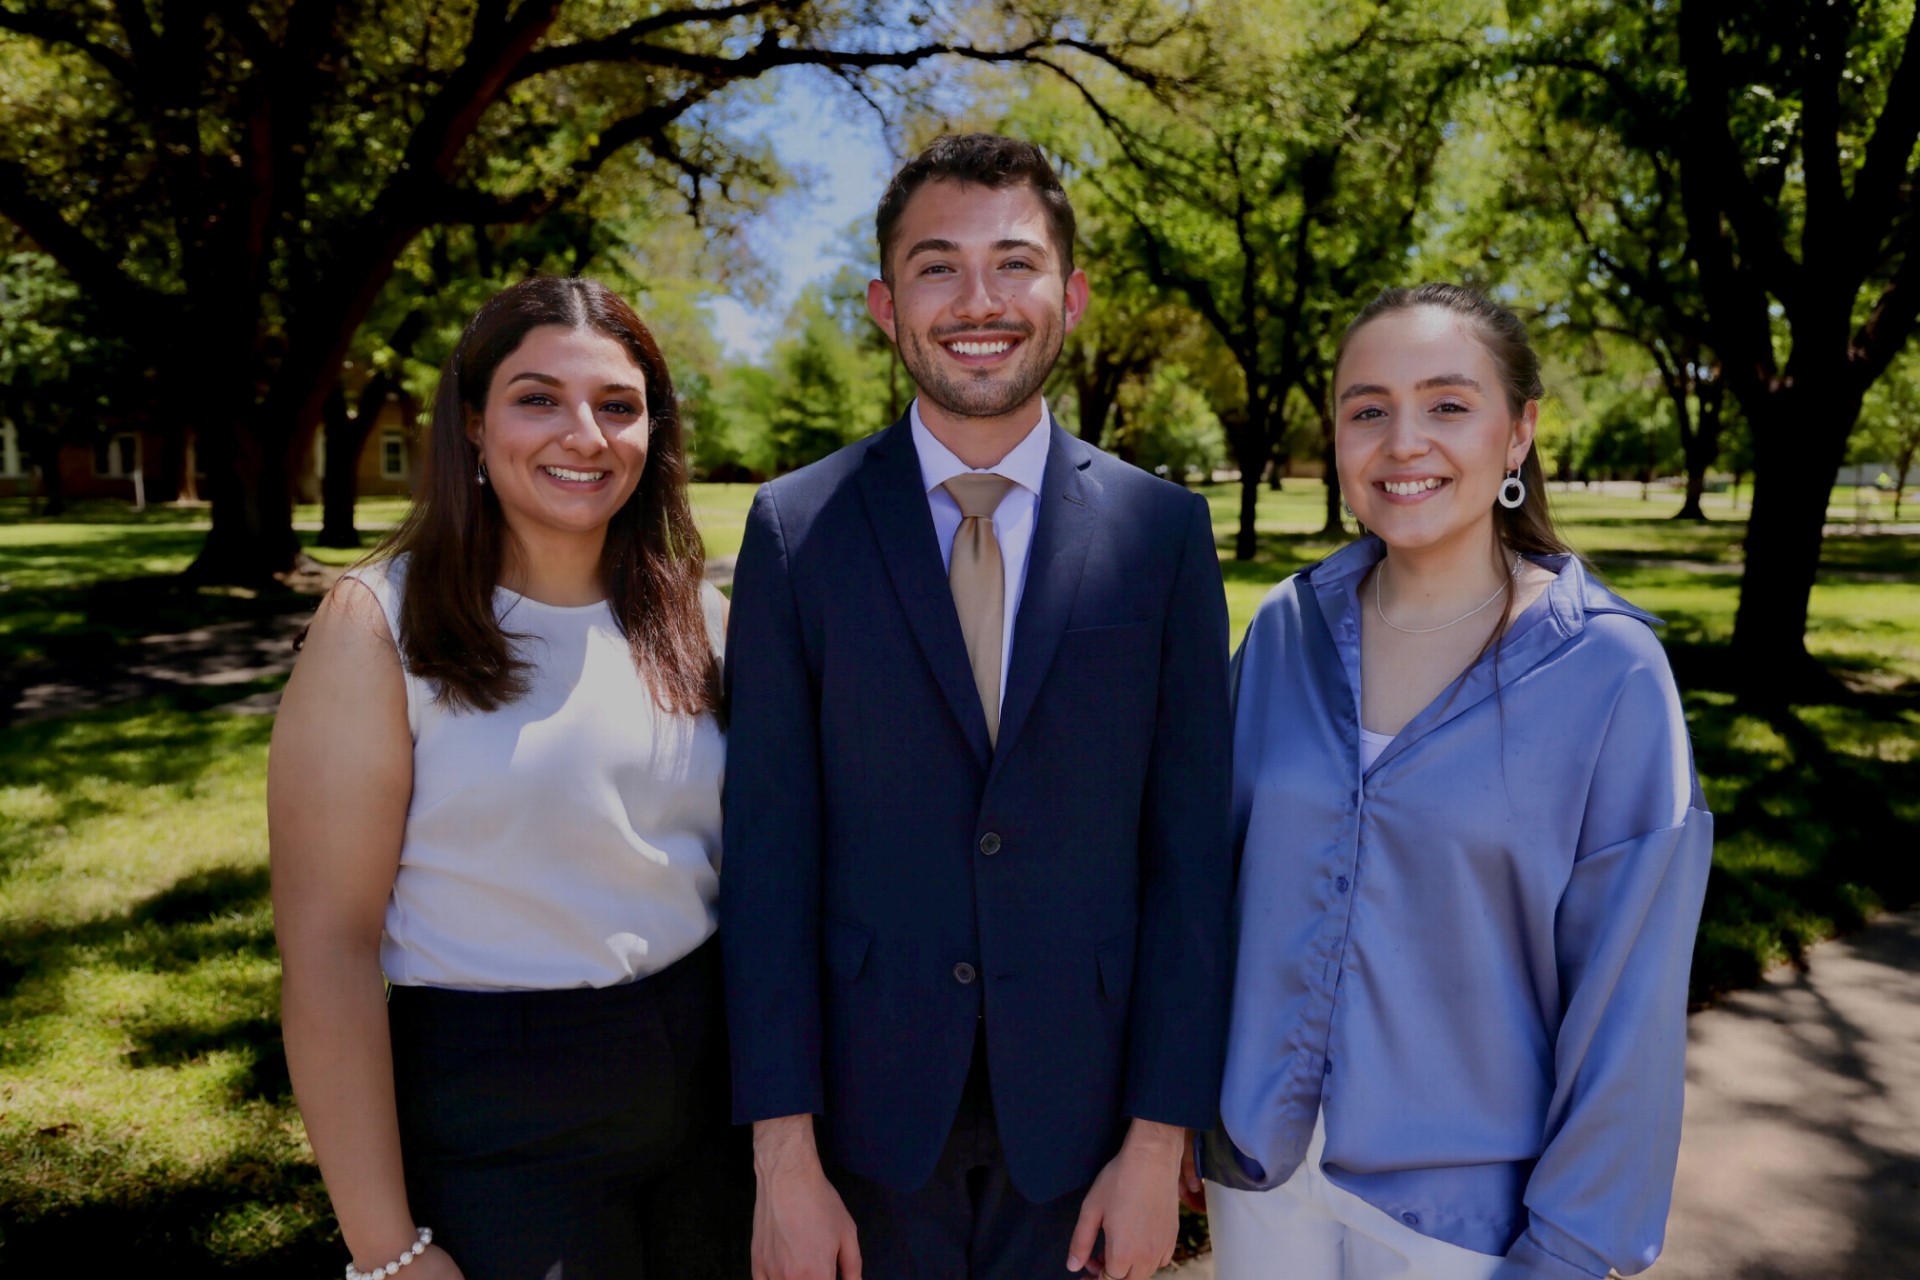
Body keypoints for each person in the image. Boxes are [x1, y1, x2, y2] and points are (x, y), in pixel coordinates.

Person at [720, 134, 1235, 1280]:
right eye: (937, 266)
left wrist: (1160, 1141)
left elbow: (1188, 859)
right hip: (863, 1124)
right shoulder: (796, 532)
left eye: (1015, 262)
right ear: (884, 303)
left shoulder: (1165, 536)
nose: (979, 301)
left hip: (1088, 1124)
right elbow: (766, 859)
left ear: (1072, 295)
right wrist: (782, 1158)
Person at [1198, 284, 1714, 1279]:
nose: (1403, 442)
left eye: (1446, 404)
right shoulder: (1280, 632)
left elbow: (1629, 1002)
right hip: (1259, 1179)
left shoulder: (1612, 673)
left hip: (1469, 1225)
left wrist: (1568, 1247)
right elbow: (1214, 893)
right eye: (1367, 408)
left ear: (1518, 432)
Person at [269, 276, 748, 1280]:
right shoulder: (377, 623)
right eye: (538, 397)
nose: (584, 433)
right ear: (474, 426)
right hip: (502, 1121)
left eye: (618, 404)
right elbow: (328, 950)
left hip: (709, 1099)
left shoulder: (694, 616)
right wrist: (387, 1249)